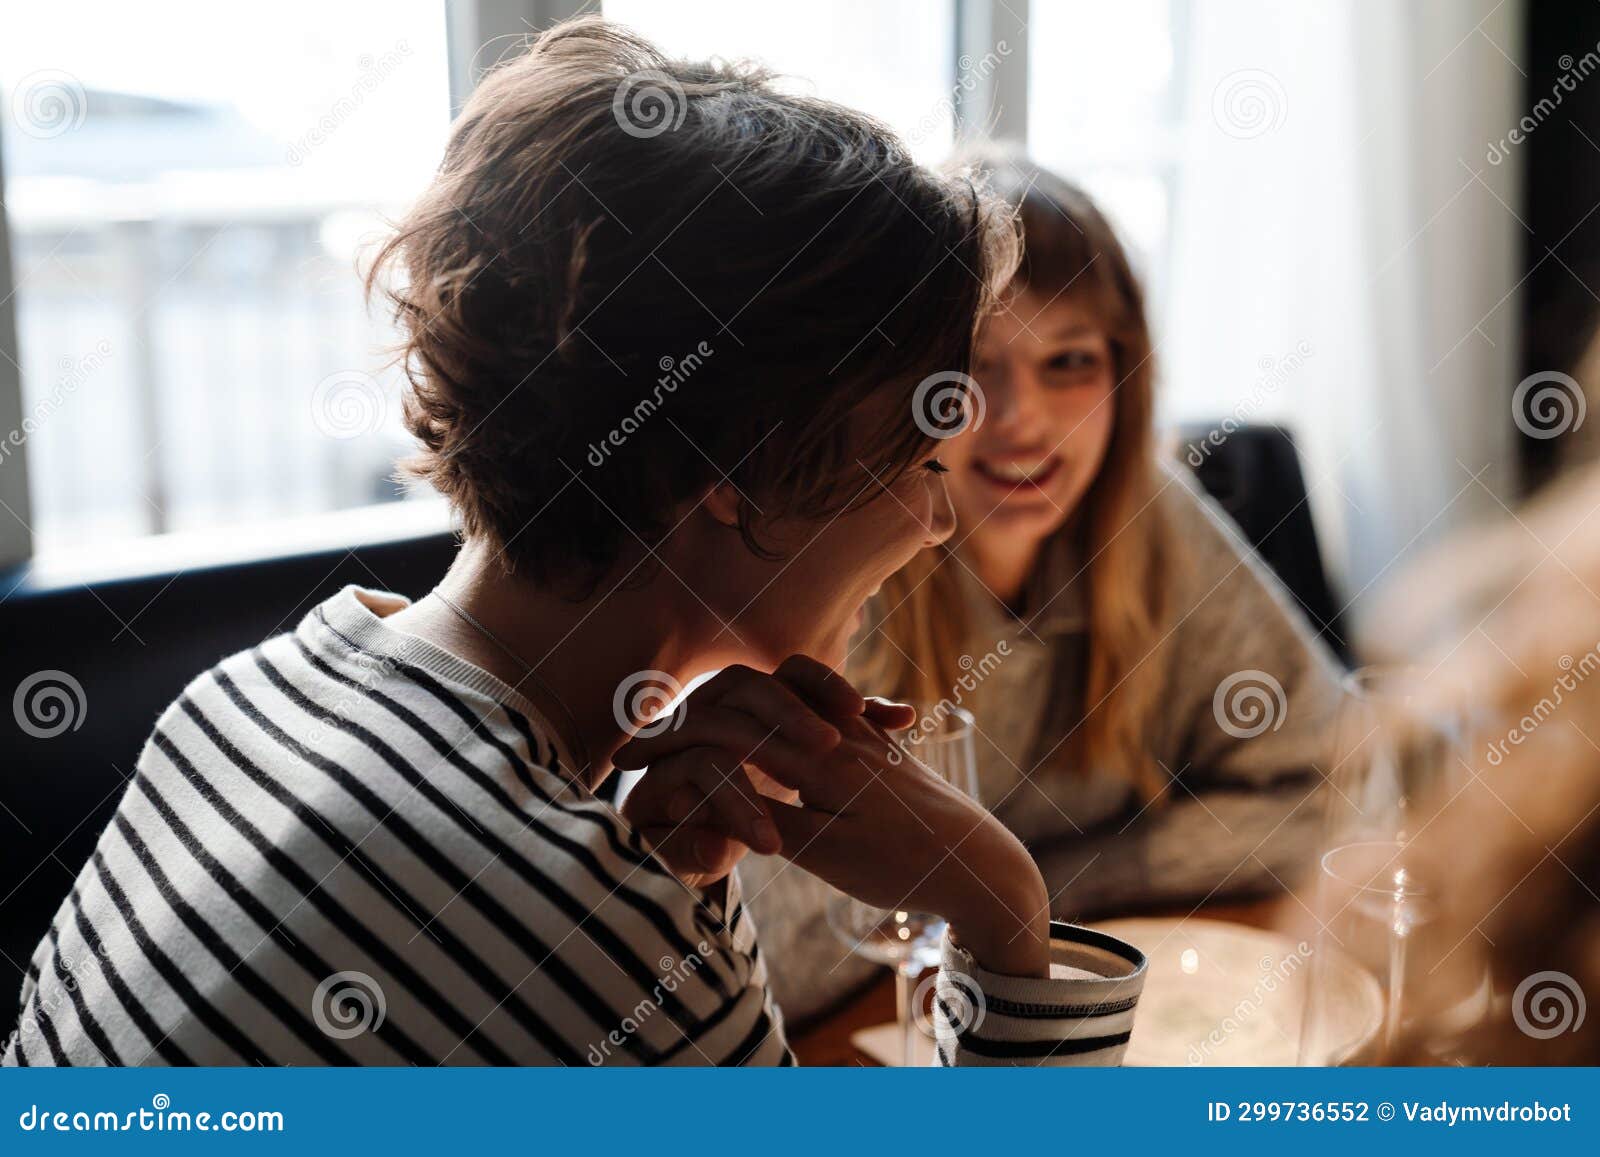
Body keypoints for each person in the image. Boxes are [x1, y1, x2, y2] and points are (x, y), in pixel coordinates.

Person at [1, 19, 1148, 1067]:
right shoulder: (605, 940)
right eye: (917, 456)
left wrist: (659, 884)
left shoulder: (242, 699)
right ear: (737, 467)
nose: (937, 515)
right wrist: (1001, 910)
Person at [742, 149, 1347, 1025]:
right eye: (975, 367)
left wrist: (1025, 883)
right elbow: (776, 959)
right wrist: (1002, 891)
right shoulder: (839, 574)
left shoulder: (1155, 517)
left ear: (1125, 378)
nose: (1024, 418)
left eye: (1070, 362)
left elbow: (1336, 789)